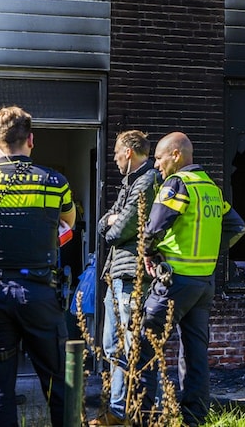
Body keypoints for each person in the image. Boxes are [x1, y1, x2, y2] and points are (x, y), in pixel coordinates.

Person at [0, 106, 77, 427]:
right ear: (31, 140)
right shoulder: (54, 182)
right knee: (59, 381)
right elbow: (68, 223)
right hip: (40, 292)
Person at [138, 132, 245, 426]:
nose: (156, 165)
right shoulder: (211, 188)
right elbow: (237, 227)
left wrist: (149, 253)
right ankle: (194, 418)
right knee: (195, 353)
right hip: (203, 284)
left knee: (145, 346)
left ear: (176, 155)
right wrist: (208, 252)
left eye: (159, 158)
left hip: (174, 282)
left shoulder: (177, 184)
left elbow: (153, 228)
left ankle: (141, 417)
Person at [88, 131, 162, 426]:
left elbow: (118, 231)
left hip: (133, 274)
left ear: (128, 152)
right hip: (117, 273)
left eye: (117, 153)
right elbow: (103, 223)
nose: (115, 159)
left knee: (132, 348)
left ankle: (139, 412)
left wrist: (112, 223)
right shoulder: (130, 183)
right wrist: (110, 221)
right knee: (112, 347)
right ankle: (118, 411)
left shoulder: (147, 182)